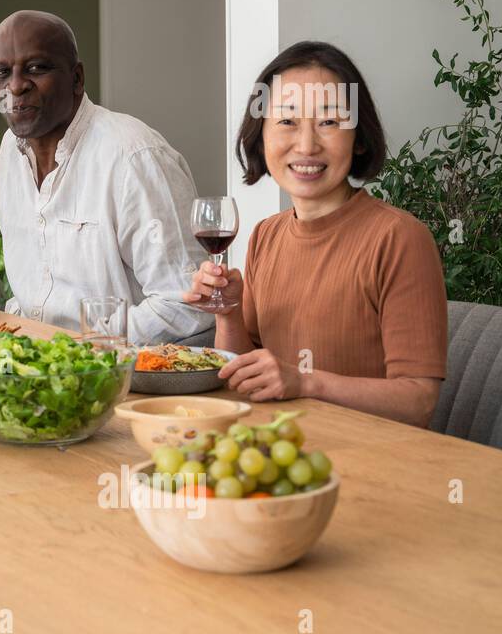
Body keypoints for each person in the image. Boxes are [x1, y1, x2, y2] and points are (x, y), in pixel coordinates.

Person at [187, 41, 446, 426]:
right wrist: (228, 315)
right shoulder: (266, 235)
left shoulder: (400, 238)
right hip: (279, 454)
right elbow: (245, 379)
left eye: (328, 122)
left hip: (373, 464)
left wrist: (307, 382)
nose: (307, 145)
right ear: (261, 136)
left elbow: (419, 401)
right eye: (287, 122)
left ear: (358, 138)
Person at [0, 10, 213, 344]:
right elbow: (34, 300)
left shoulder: (134, 157)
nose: (17, 85)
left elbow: (186, 304)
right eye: (2, 73)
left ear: (77, 78)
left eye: (37, 67)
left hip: (127, 375)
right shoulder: (11, 150)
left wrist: (80, 348)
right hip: (39, 365)